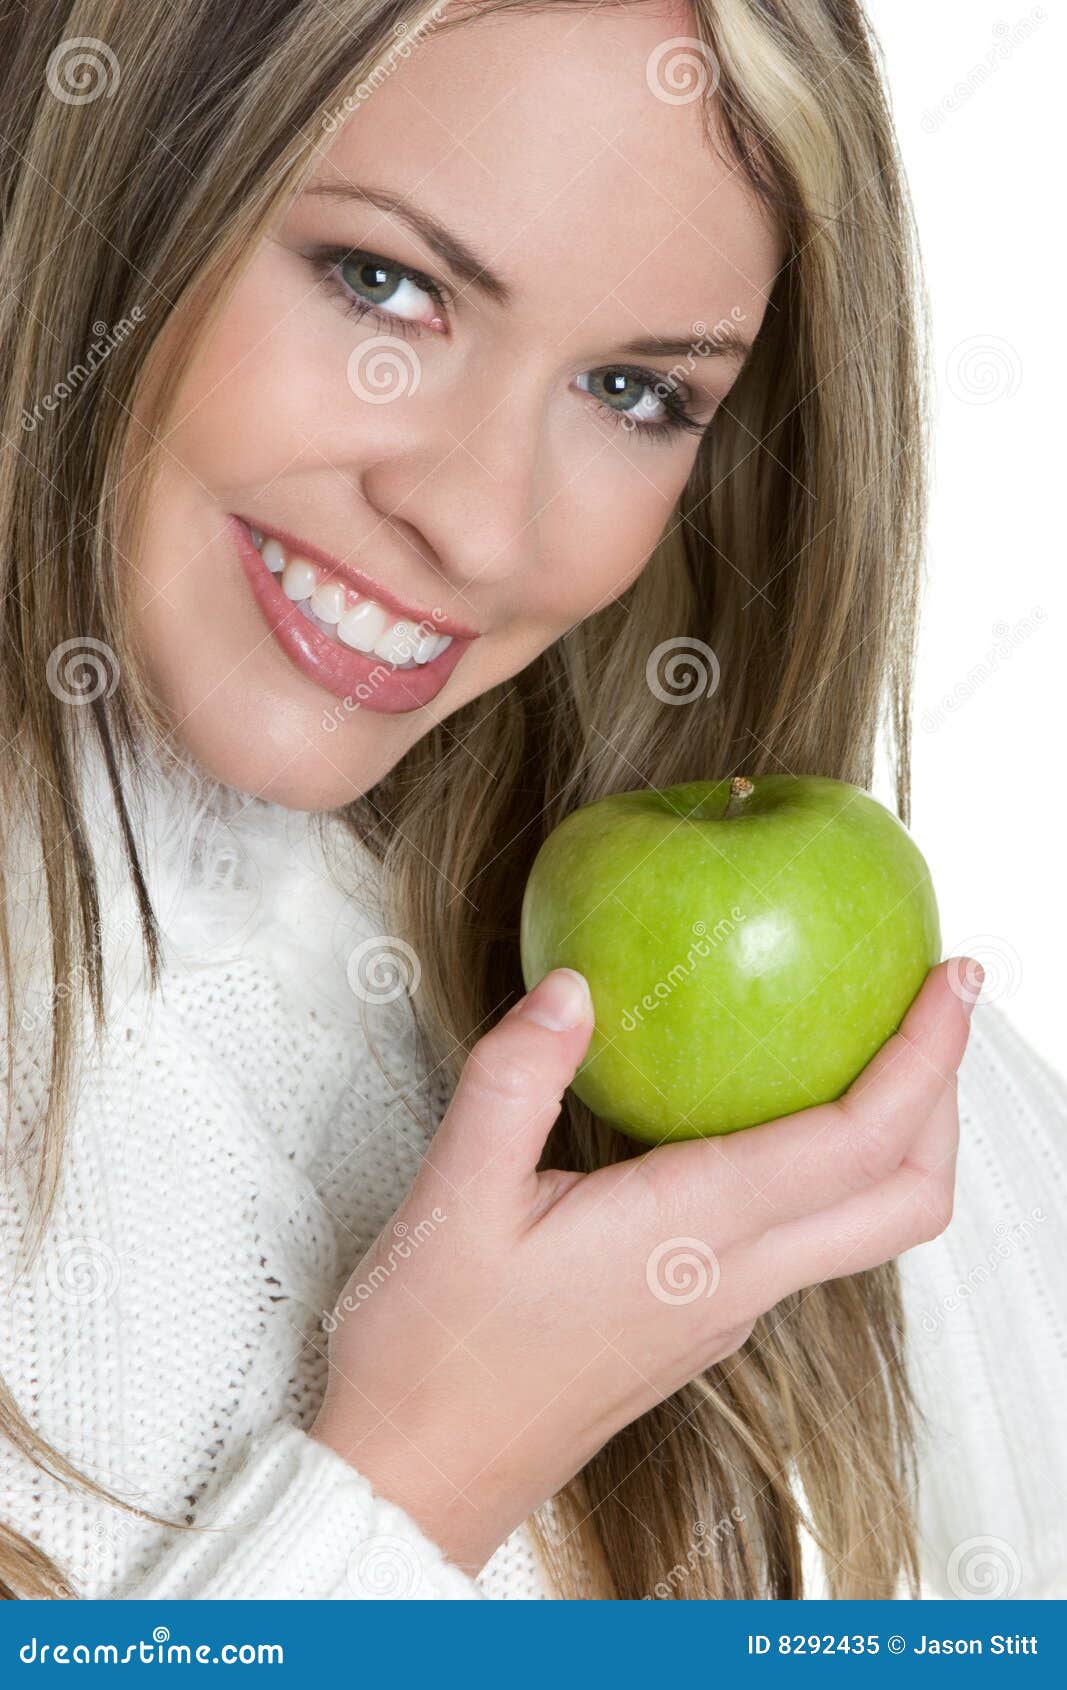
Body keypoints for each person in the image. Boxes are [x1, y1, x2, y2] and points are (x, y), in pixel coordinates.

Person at [0, 0, 1063, 1602]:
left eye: (636, 392)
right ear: (111, 187)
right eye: (386, 285)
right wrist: (414, 1478)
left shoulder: (862, 1109)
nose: (486, 529)